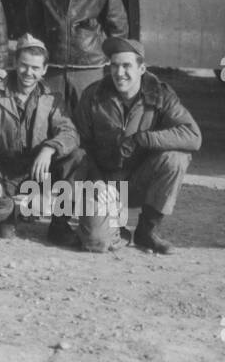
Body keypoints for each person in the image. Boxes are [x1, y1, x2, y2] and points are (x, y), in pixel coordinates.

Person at [72, 37, 202, 255]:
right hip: (103, 184)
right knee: (96, 242)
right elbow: (79, 144)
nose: (119, 72)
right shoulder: (93, 95)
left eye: (126, 66)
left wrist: (144, 138)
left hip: (139, 181)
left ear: (142, 68)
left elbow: (193, 135)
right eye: (114, 65)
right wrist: (95, 180)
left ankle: (146, 231)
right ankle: (116, 230)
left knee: (175, 158)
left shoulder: (160, 95)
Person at [0, 33, 82, 242]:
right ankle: (6, 211)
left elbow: (70, 133)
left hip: (34, 174)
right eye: (23, 65)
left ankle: (59, 225)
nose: (28, 73)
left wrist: (49, 149)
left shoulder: (52, 97)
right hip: (0, 172)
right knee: (0, 216)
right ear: (14, 63)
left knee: (76, 156)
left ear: (44, 70)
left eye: (35, 68)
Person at [24, 0, 129, 113]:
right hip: (53, 68)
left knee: (89, 120)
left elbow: (118, 31)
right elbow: (34, 24)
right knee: (48, 119)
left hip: (89, 69)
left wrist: (110, 64)